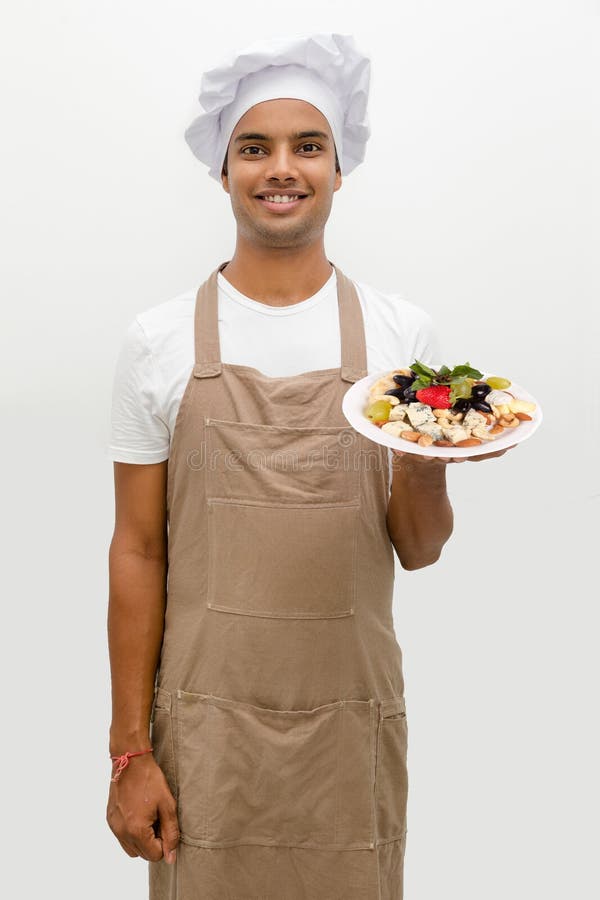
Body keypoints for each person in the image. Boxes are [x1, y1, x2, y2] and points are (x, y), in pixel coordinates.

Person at [105, 32, 513, 900]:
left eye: (307, 146)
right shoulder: (158, 342)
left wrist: (433, 461)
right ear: (223, 171)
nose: (280, 169)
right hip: (204, 734)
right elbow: (137, 552)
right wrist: (129, 750)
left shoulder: (401, 338)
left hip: (349, 728)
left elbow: (420, 546)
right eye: (254, 148)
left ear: (338, 168)